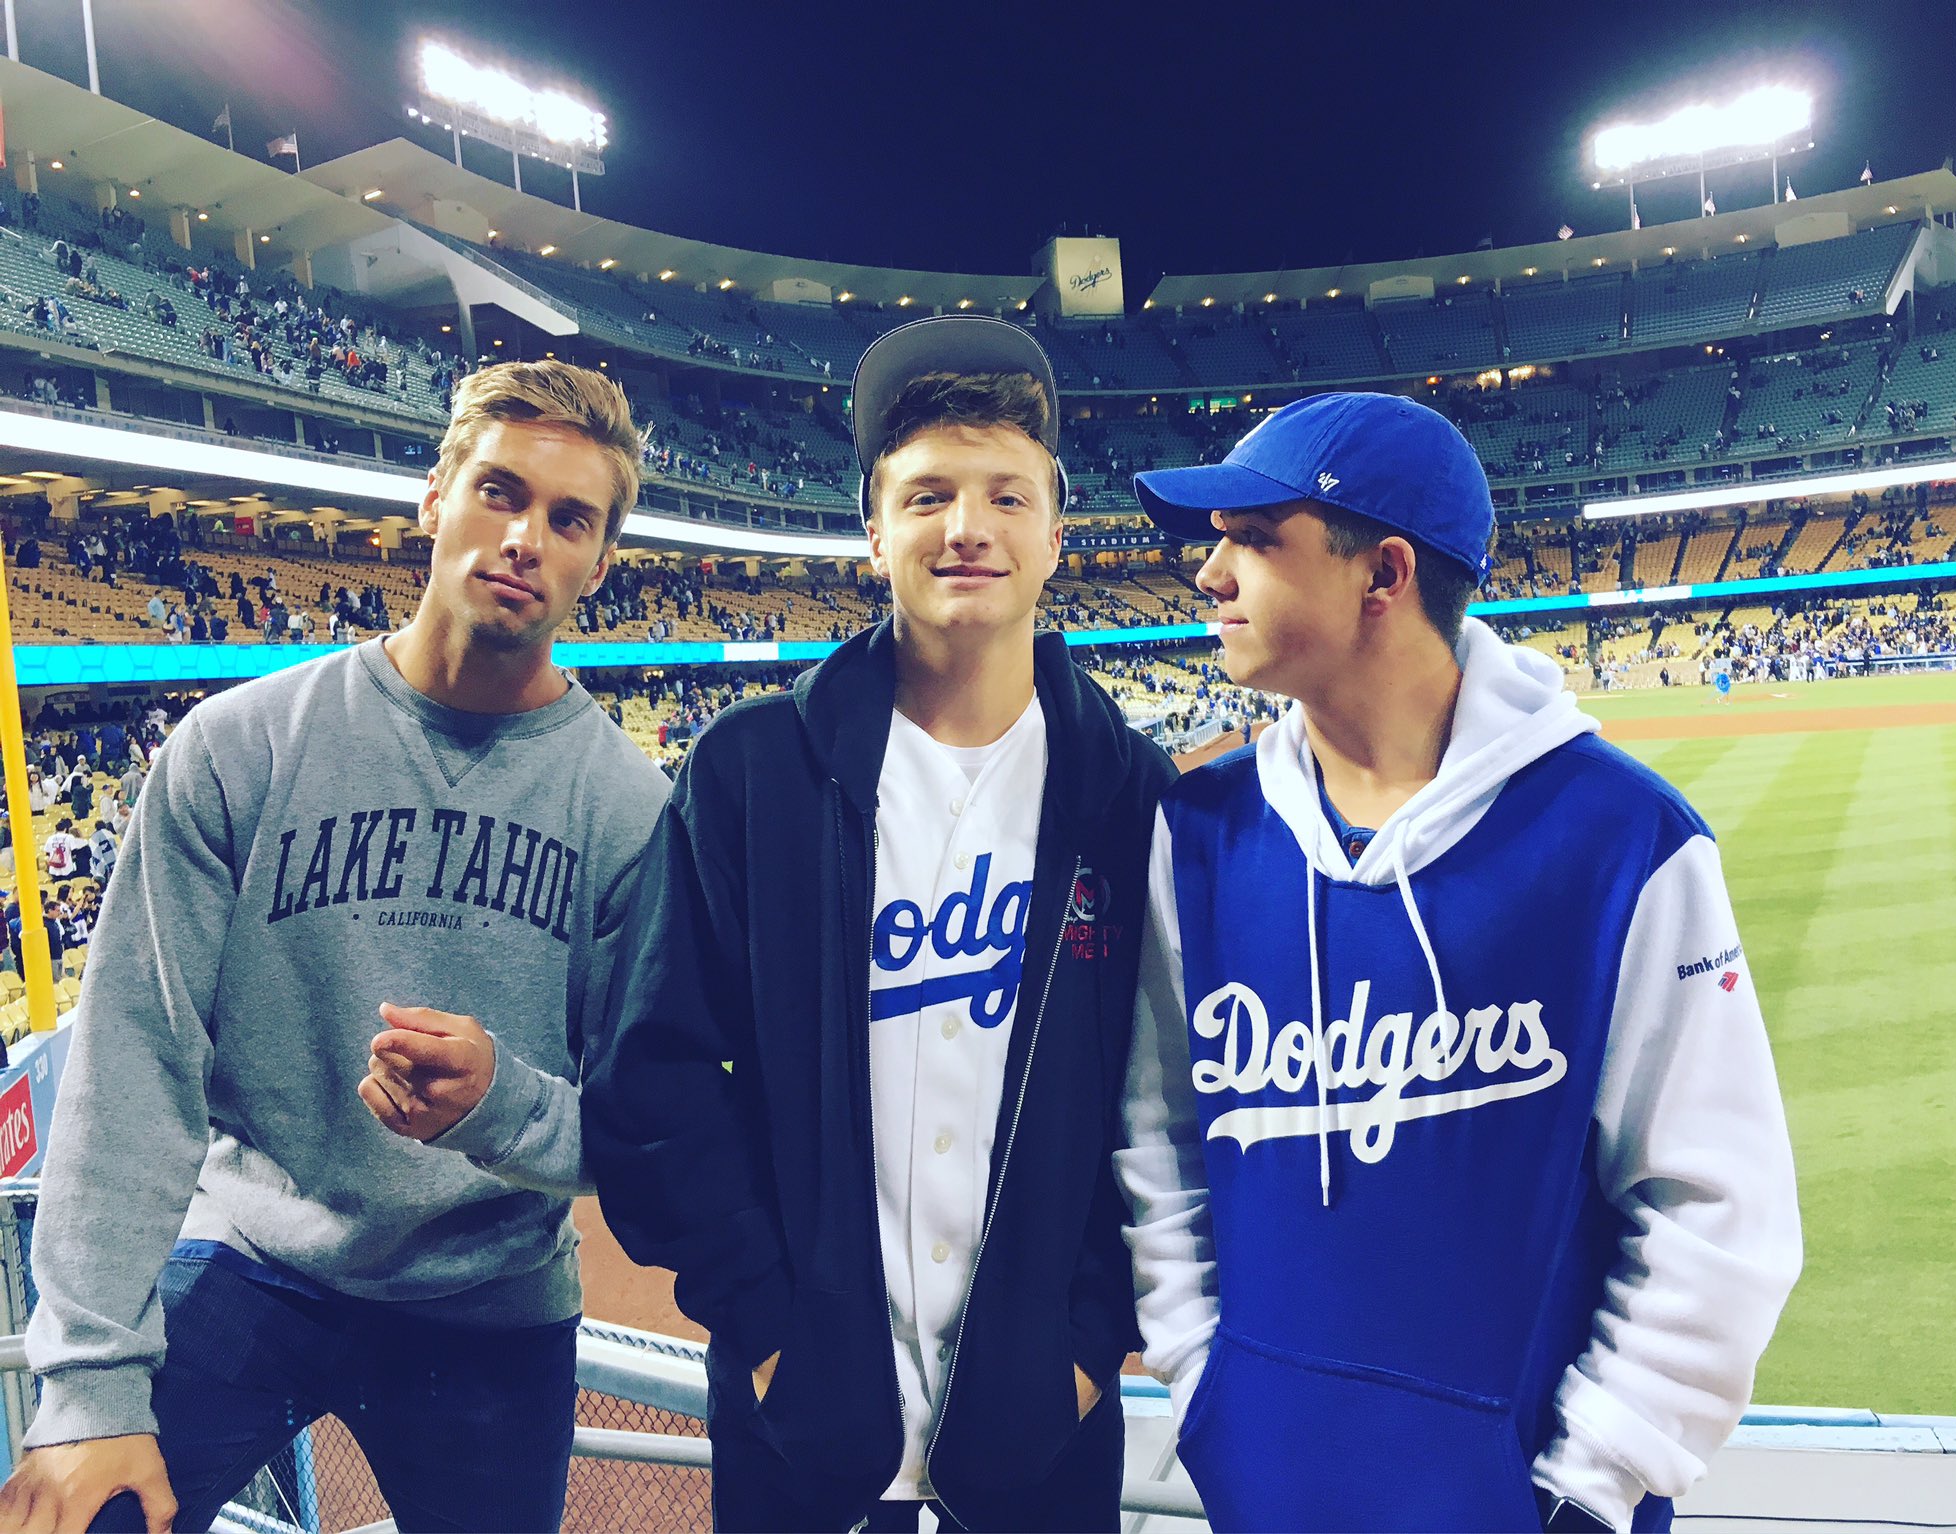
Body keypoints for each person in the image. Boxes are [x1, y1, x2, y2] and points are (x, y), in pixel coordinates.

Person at [1, 360, 669, 1534]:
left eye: (569, 519)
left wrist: (499, 1105)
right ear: (434, 497)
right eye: (499, 491)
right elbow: (135, 1062)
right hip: (258, 1250)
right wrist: (88, 1385)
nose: (525, 538)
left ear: (599, 563)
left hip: (491, 1296)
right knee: (85, 1512)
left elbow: (638, 1127)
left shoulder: (629, 813)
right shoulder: (239, 748)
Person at [1116, 393, 1802, 1532]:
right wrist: (1208, 1387)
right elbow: (1159, 1141)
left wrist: (1593, 1483)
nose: (1208, 575)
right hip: (1265, 1482)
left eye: (1252, 539)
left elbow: (1712, 1200)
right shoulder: (1194, 834)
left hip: (1527, 1500)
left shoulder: (1620, 839)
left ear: (1381, 573)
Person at [587, 316, 1174, 1533]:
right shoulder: (750, 774)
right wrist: (763, 1332)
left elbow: (1169, 1106)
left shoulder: (1128, 795)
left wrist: (1085, 1342)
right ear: (873, 530)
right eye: (927, 496)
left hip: (1040, 1434)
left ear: (1055, 532)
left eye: (1005, 495)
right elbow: (651, 1081)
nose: (966, 528)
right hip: (800, 1427)